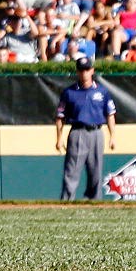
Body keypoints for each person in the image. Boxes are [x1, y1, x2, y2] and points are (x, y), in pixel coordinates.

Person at [54, 57, 116, 199]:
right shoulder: (69, 92)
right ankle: (67, 201)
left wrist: (112, 136)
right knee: (72, 170)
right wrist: (59, 138)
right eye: (81, 70)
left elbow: (110, 115)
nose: (84, 73)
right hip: (77, 131)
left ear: (92, 70)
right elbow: (60, 117)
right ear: (77, 72)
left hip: (96, 132)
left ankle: (94, 201)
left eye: (87, 69)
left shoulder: (102, 91)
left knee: (96, 171)